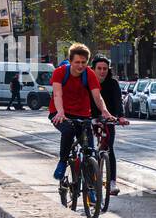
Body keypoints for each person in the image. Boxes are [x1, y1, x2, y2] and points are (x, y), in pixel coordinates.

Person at [50, 43, 114, 181]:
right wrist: (60, 112)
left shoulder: (89, 74)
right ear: (70, 61)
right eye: (77, 62)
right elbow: (57, 95)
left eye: (83, 62)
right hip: (60, 113)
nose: (80, 66)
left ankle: (91, 188)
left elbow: (97, 96)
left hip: (83, 115)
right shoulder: (60, 72)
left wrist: (105, 111)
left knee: (89, 151)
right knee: (68, 131)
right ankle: (62, 162)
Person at [90, 55, 129, 194]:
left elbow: (118, 101)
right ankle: (88, 177)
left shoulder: (112, 83)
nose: (102, 71)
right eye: (99, 68)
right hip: (90, 117)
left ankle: (112, 182)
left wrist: (121, 116)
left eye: (105, 69)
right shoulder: (87, 82)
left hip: (108, 118)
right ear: (93, 69)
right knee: (88, 148)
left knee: (109, 148)